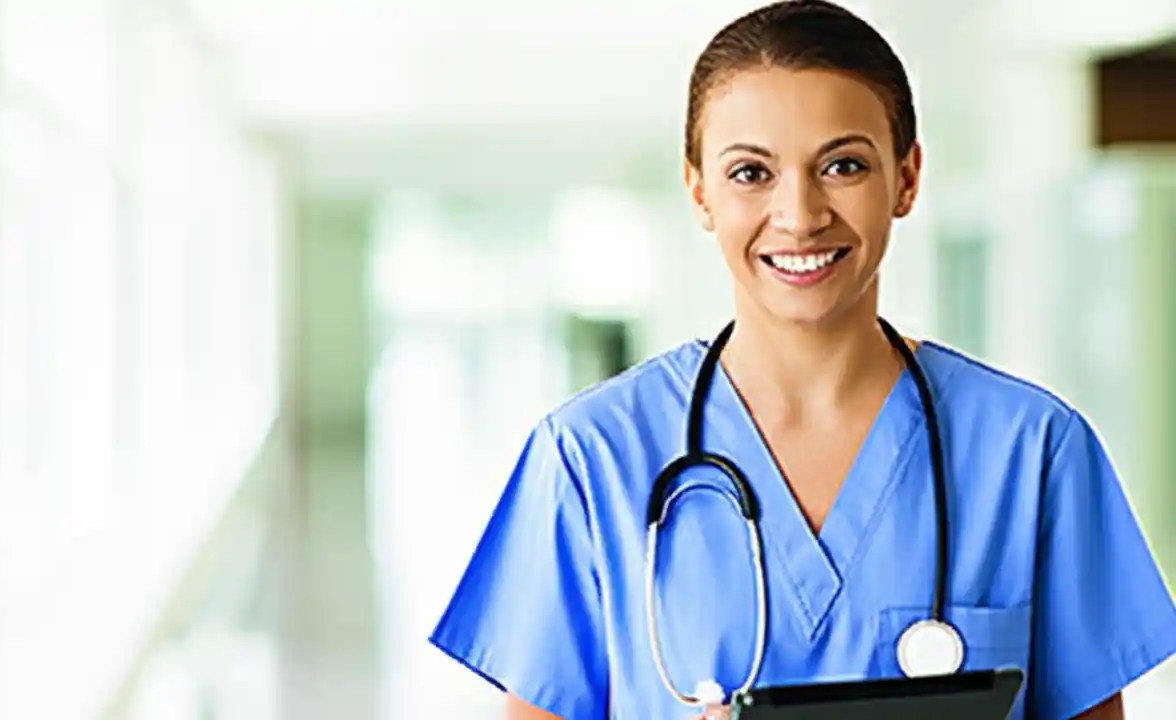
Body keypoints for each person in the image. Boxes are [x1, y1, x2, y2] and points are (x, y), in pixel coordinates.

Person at [428, 1, 1176, 718]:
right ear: (699, 192)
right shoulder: (592, 459)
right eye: (751, 172)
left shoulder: (1031, 451)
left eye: (843, 165)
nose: (800, 215)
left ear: (907, 177)